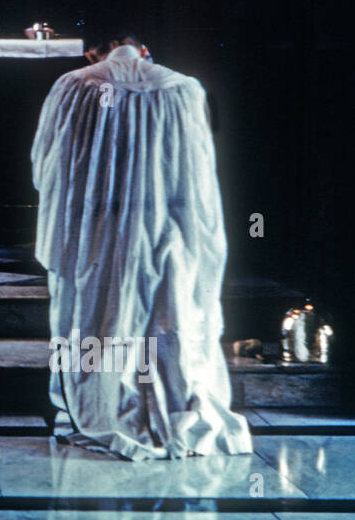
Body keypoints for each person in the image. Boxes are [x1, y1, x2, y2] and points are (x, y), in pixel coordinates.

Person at [30, 33, 252, 459]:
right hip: (168, 229)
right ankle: (173, 400)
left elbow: (48, 164)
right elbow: (200, 180)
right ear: (143, 48)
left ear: (98, 48)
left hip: (95, 232)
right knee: (168, 315)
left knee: (98, 315)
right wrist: (197, 239)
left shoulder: (74, 86)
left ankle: (102, 402)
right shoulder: (183, 88)